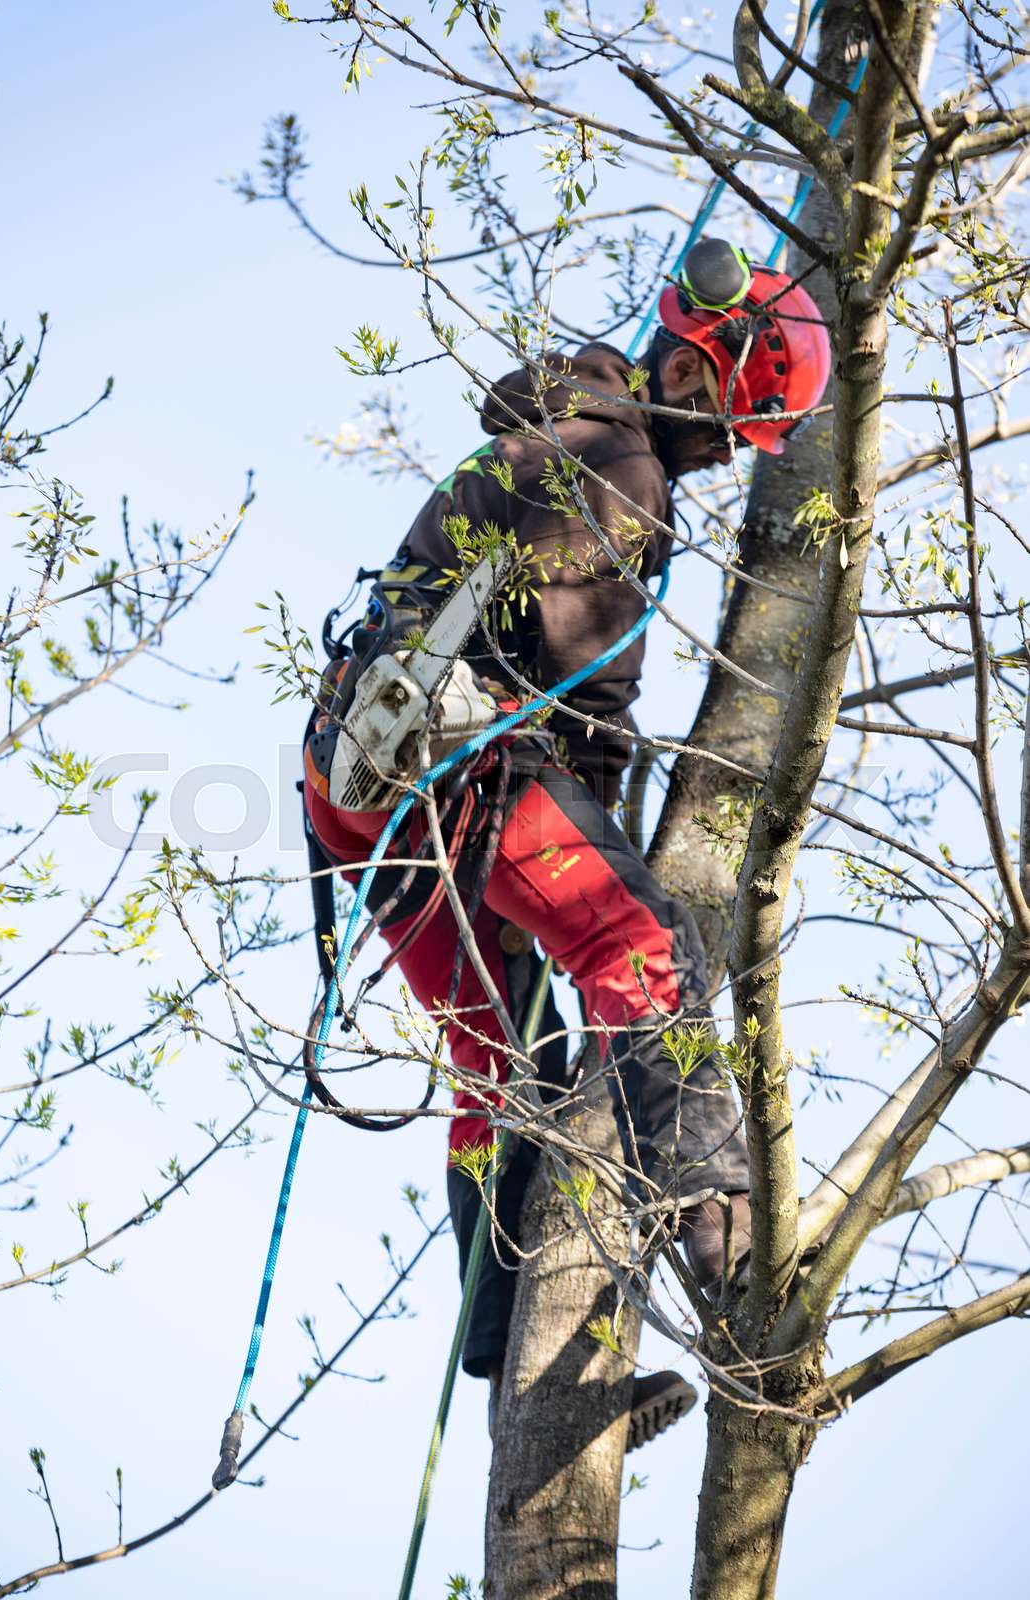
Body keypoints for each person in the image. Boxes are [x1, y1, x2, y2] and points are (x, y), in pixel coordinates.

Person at [302, 241, 830, 1451]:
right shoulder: (616, 458)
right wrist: (603, 794)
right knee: (642, 950)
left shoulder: (546, 431)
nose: (715, 455)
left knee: (499, 1058)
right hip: (456, 772)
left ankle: (511, 1376)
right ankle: (734, 1283)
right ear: (706, 382)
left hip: (355, 773)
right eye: (725, 433)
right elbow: (578, 679)